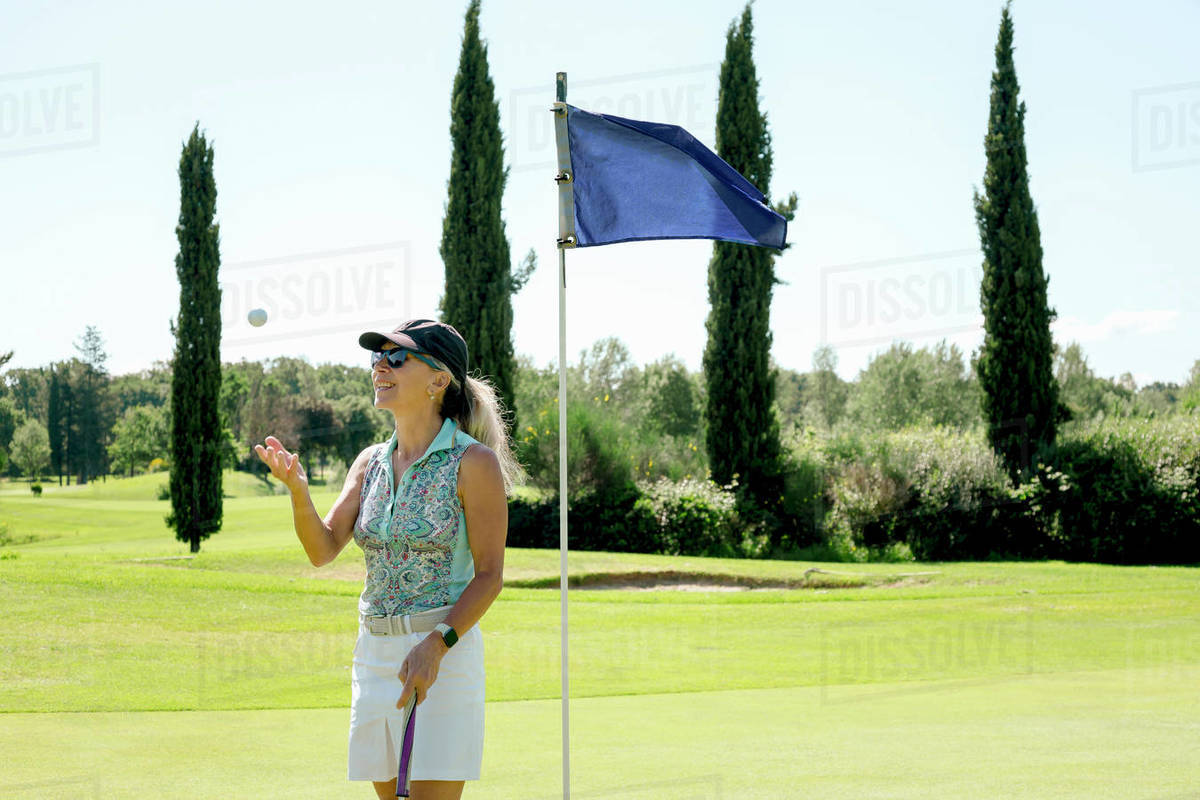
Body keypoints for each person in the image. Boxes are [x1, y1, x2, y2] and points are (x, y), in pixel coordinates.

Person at [254, 318, 522, 800]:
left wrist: (436, 646)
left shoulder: (474, 463)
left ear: (440, 380)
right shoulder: (370, 461)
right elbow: (322, 549)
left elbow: (490, 576)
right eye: (377, 357)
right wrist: (297, 490)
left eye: (397, 357)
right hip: (374, 657)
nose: (380, 365)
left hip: (443, 654)